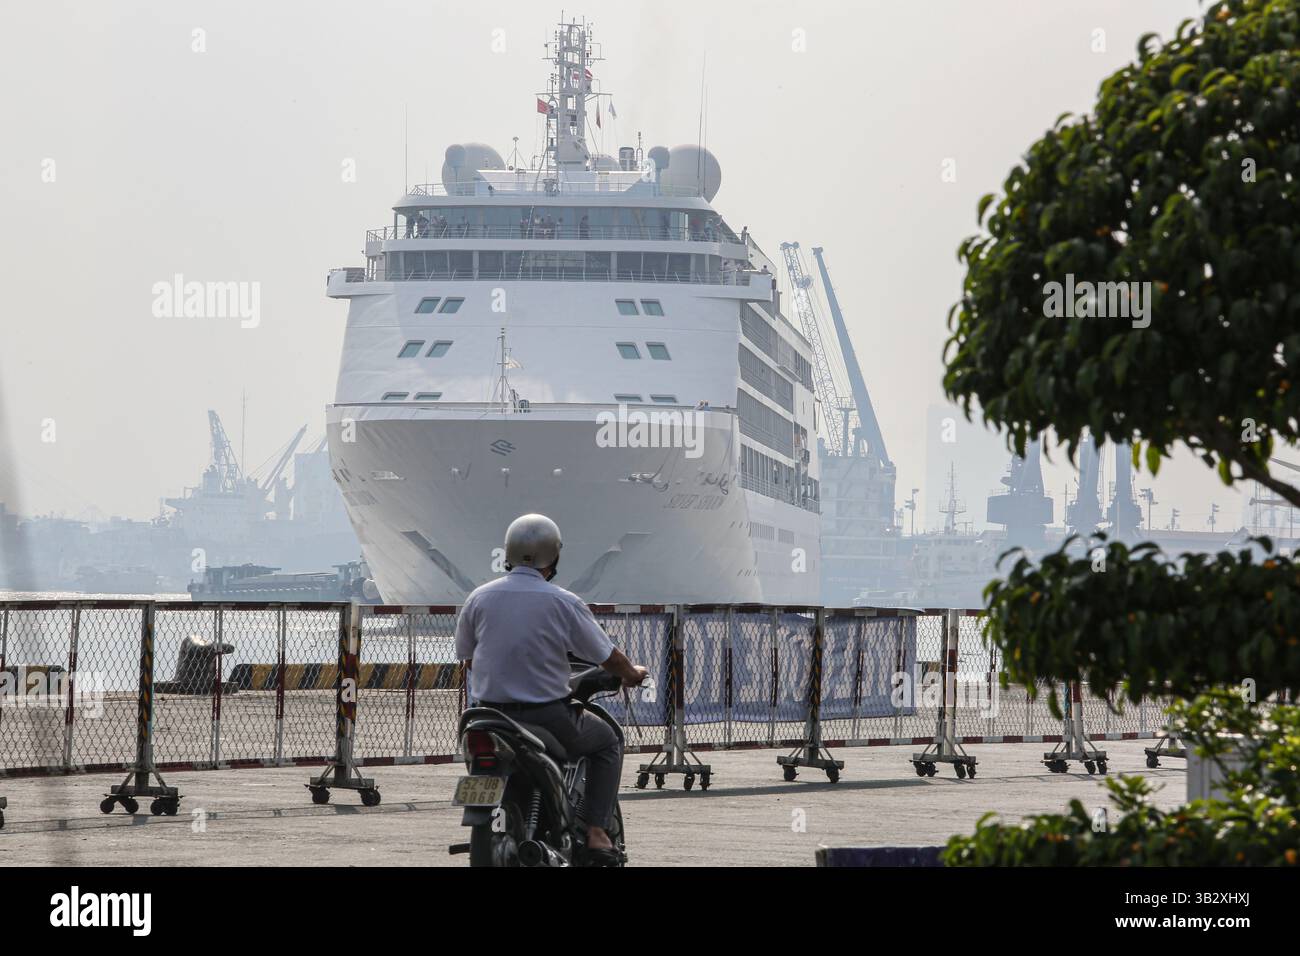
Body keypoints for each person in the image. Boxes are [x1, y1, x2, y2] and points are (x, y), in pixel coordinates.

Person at [455, 513, 647, 866]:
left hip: (484, 716)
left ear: (509, 552)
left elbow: (467, 658)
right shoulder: (563, 601)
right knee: (608, 742)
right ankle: (596, 832)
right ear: (553, 556)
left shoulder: (478, 599)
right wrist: (632, 674)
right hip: (546, 716)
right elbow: (608, 656)